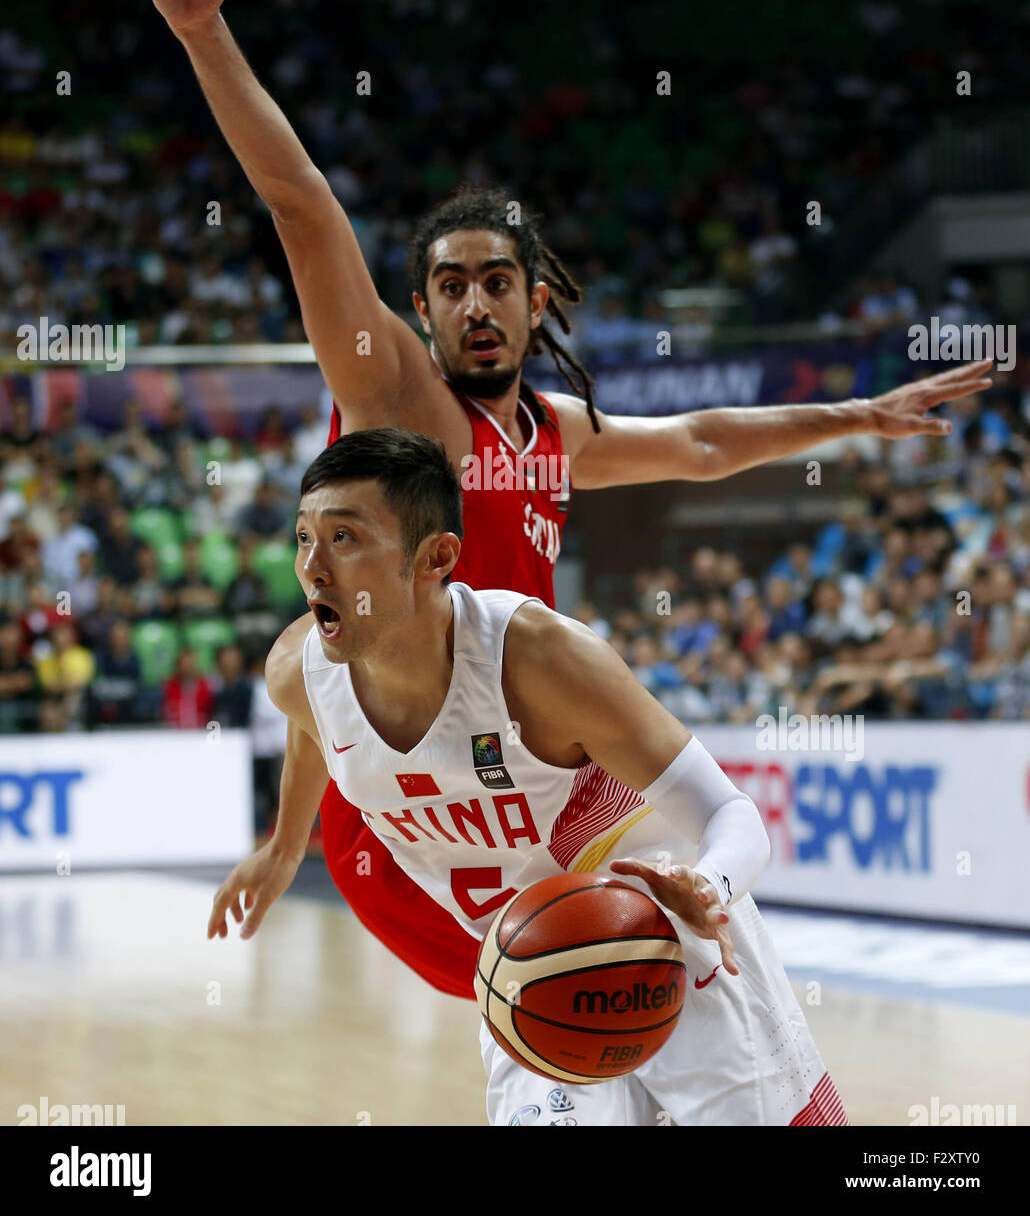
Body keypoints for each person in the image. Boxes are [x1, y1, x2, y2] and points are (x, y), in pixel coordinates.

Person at [121, 0, 995, 1000]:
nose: (476, 304)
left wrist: (860, 415)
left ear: (541, 303)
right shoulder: (397, 402)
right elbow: (301, 205)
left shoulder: (553, 429)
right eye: (450, 285)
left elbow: (704, 442)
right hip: (416, 817)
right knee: (618, 1005)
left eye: (499, 281)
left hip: (513, 764)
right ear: (420, 309)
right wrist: (201, 34)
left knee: (677, 977)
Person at [208, 430, 848, 1126]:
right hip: (531, 974)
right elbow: (316, 728)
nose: (313, 568)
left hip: (667, 937)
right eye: (304, 538)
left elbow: (732, 813)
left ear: (437, 557)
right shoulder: (297, 671)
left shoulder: (541, 661)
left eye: (345, 539)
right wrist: (282, 845)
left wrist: (708, 888)